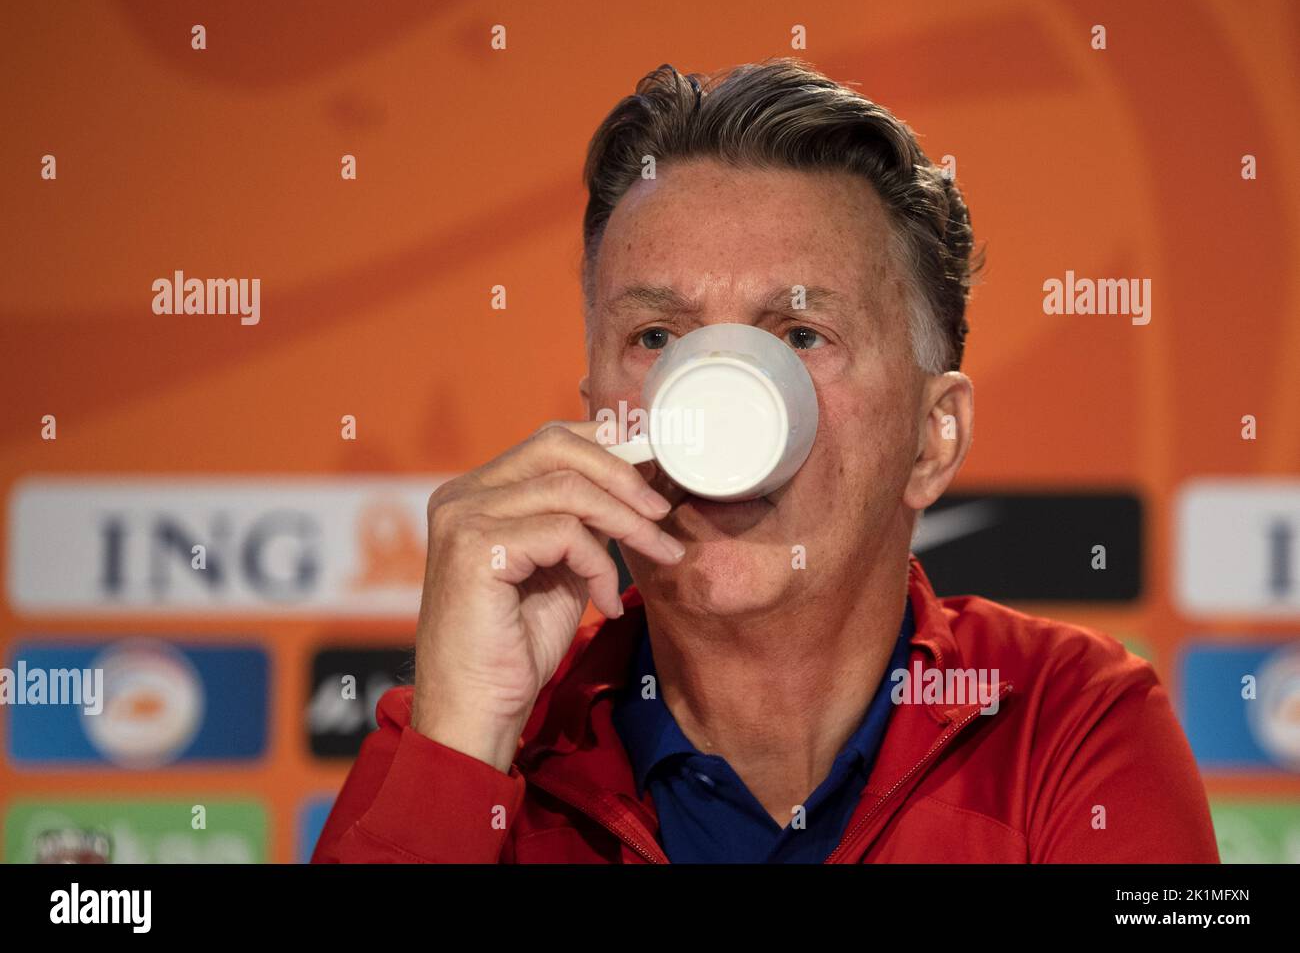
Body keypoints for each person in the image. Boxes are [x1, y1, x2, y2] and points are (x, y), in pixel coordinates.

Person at [312, 58, 1219, 863]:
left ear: (931, 436)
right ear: (598, 422)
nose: (716, 401)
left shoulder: (1066, 725)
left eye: (799, 334)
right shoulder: (460, 734)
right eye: (659, 334)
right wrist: (465, 742)